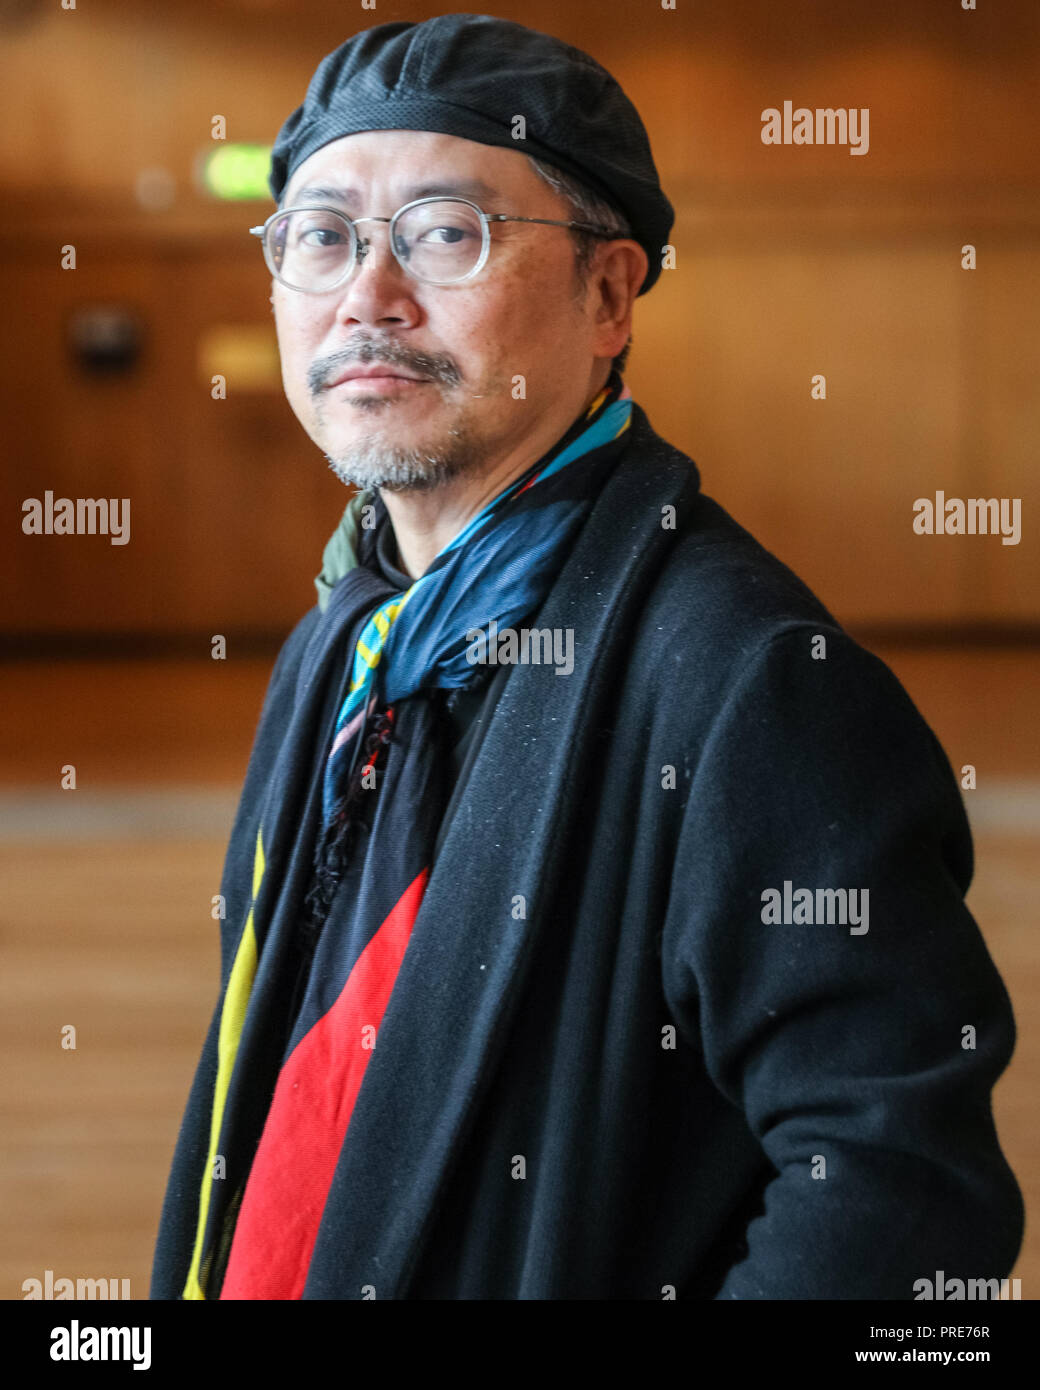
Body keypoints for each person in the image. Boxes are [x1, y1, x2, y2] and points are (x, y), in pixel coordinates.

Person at [151, 14, 1022, 1301]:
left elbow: (899, 1193)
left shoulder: (746, 683)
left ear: (608, 296)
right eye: (321, 236)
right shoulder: (345, 639)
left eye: (443, 232)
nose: (366, 296)